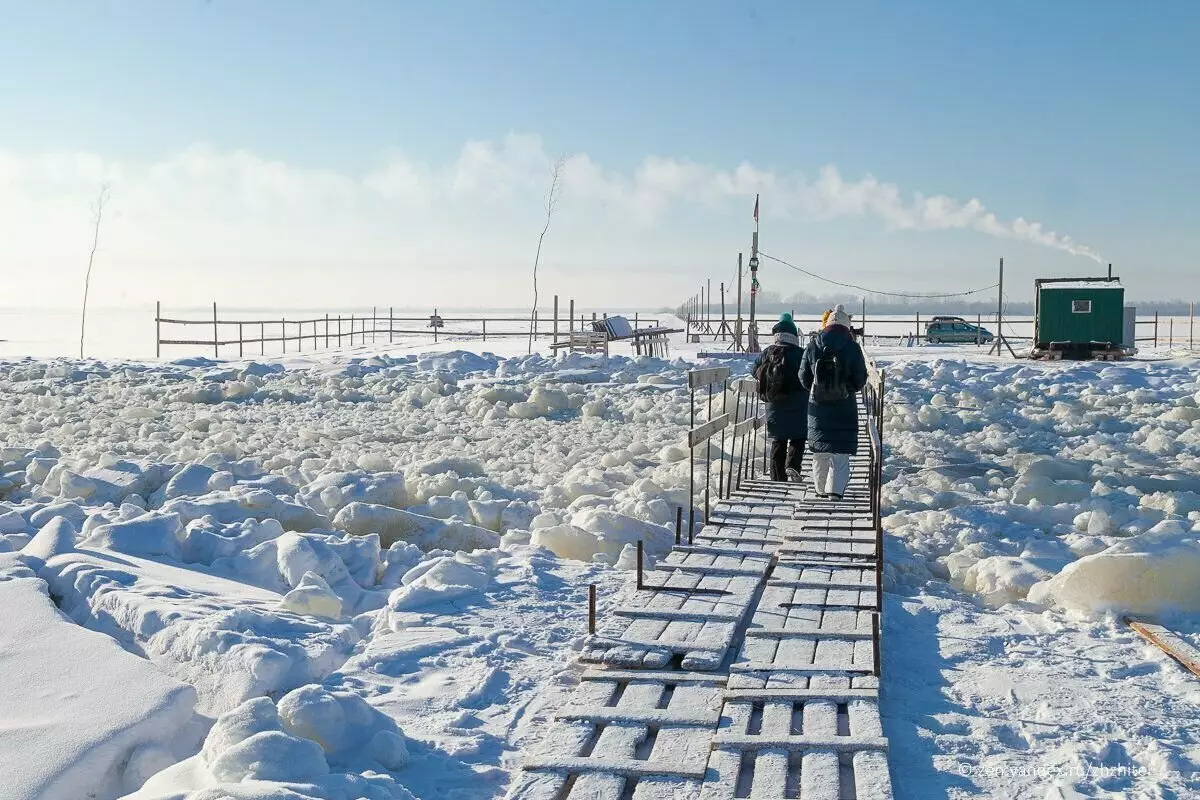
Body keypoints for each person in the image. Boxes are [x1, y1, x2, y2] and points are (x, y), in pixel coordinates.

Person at [800, 304, 868, 499]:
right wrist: (848, 389)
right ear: (847, 326)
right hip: (844, 407)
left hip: (817, 407)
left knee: (819, 452)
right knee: (840, 454)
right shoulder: (852, 347)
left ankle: (820, 491)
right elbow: (861, 377)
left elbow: (803, 375)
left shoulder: (813, 345)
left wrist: (815, 390)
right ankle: (835, 493)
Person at [753, 312, 809, 482]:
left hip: (774, 402)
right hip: (799, 402)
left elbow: (753, 371)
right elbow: (809, 374)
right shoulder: (800, 353)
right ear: (793, 334)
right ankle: (793, 464)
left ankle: (777, 477)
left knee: (779, 439)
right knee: (799, 436)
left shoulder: (768, 352)